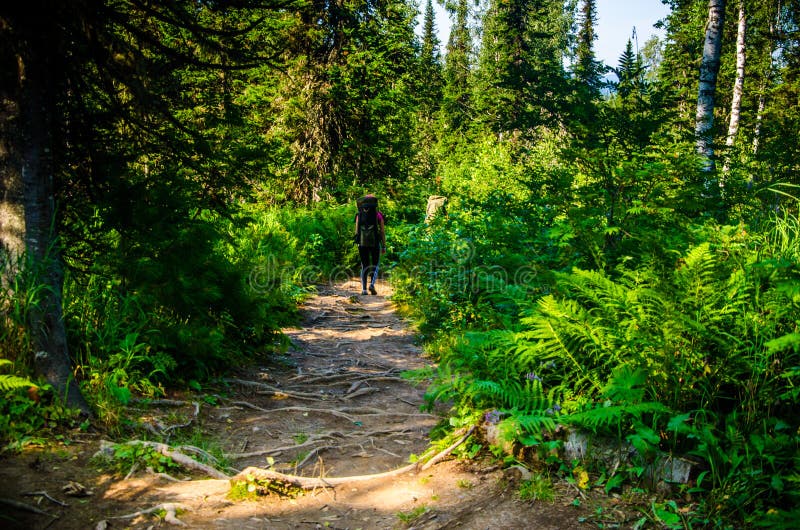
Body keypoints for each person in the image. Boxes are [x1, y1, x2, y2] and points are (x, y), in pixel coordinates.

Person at [354, 194, 386, 295]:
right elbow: (382, 232)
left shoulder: (359, 215)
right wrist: (384, 245)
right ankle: (372, 284)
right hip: (375, 242)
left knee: (365, 265)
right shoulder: (378, 215)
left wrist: (358, 242)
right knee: (375, 264)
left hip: (362, 243)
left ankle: (363, 289)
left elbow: (356, 232)